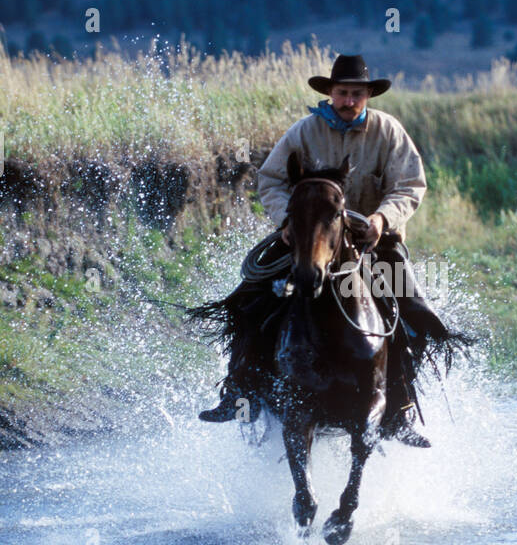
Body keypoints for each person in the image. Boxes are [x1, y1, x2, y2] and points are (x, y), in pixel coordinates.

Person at [196, 54, 470, 447]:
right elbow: (271, 181)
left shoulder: (388, 132)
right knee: (248, 300)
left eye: (356, 94)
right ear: (330, 93)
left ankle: (400, 410)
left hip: (375, 241)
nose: (348, 100)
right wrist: (286, 223)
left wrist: (380, 220)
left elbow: (410, 184)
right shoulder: (304, 132)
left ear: (367, 96)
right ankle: (241, 391)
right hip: (310, 237)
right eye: (342, 93)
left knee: (414, 312)